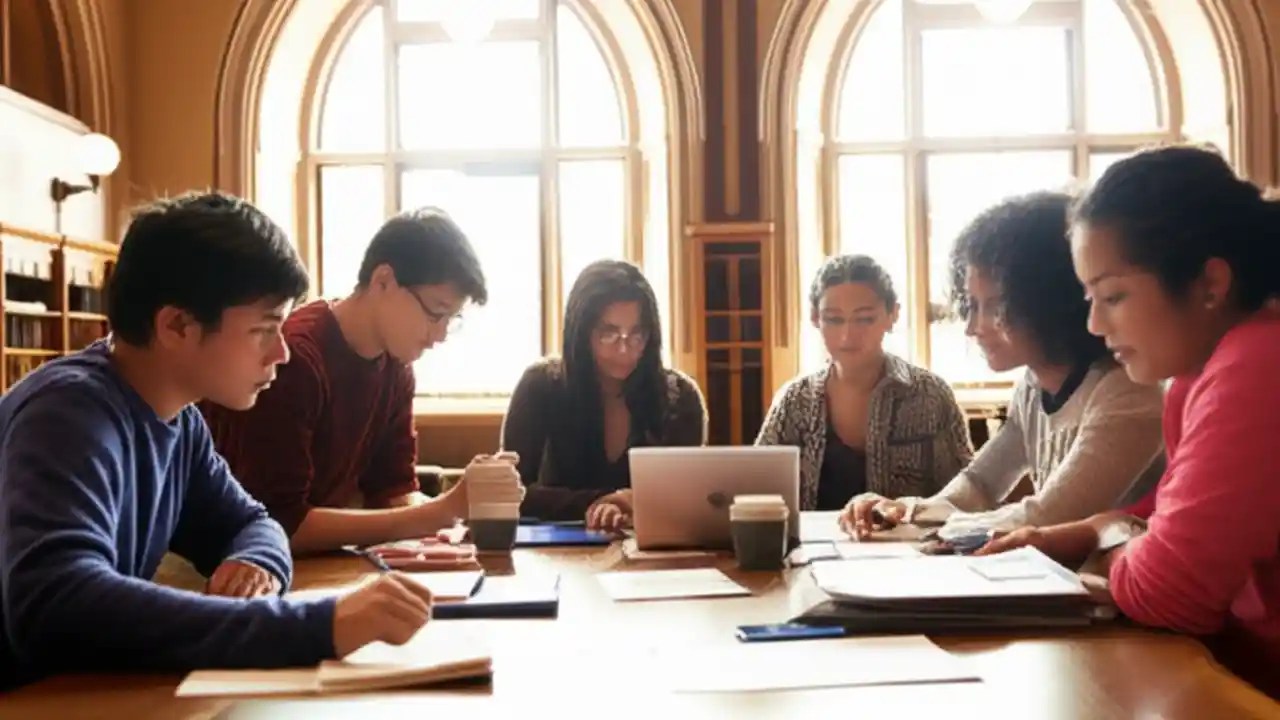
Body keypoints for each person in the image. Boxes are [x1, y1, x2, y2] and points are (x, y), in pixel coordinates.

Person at [0, 193, 435, 688]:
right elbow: (54, 604)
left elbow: (254, 521)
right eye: (263, 329)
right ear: (177, 325)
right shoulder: (69, 414)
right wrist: (321, 625)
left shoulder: (180, 419)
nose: (283, 353)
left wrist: (254, 559)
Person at [978, 146, 1280, 698]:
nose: (1094, 323)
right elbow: (1172, 509)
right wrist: (1085, 531)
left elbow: (1168, 592)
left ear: (1210, 284)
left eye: (1113, 295)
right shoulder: (1202, 370)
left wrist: (1111, 539)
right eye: (1090, 297)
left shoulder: (1258, 362)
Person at [842, 192, 1165, 539]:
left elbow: (1047, 516)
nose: (972, 327)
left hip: (1113, 588)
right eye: (972, 305)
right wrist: (901, 510)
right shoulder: (1032, 386)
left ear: (1048, 301)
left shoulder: (1125, 392)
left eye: (994, 307)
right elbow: (979, 485)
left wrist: (924, 524)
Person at [201, 207, 488, 554]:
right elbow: (279, 524)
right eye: (436, 312)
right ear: (383, 281)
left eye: (452, 319)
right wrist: (437, 513)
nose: (441, 334)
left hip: (320, 563)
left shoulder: (396, 367)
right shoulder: (292, 359)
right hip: (242, 563)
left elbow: (392, 490)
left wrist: (454, 524)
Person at [501, 260, 706, 530]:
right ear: (581, 334)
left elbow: (687, 499)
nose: (624, 350)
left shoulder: (680, 397)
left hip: (649, 558)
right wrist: (610, 501)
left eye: (636, 334)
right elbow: (508, 493)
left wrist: (626, 503)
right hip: (555, 557)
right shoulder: (540, 386)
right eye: (609, 334)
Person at [755, 255, 971, 511]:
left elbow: (966, 498)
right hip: (813, 548)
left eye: (865, 319)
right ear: (815, 318)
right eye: (834, 320)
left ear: (893, 315)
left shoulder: (930, 395)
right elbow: (757, 490)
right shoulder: (795, 400)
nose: (848, 336)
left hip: (907, 547)